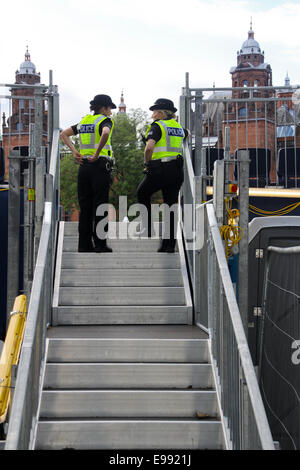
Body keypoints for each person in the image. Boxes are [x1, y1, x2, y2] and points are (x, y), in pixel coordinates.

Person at [60, 94, 116, 253]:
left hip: (83, 167)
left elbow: (63, 134)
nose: (111, 111)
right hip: (99, 166)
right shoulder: (105, 120)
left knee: (85, 208)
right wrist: (97, 153)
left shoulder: (84, 122)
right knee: (100, 205)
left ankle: (84, 245)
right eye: (110, 108)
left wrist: (75, 152)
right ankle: (100, 244)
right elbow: (105, 133)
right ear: (104, 107)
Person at [137, 98, 189, 253]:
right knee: (170, 206)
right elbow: (188, 134)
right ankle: (168, 246)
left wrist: (147, 164)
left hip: (160, 168)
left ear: (161, 113)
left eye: (154, 111)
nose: (152, 115)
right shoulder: (178, 127)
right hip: (177, 169)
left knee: (142, 193)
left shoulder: (157, 126)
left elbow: (149, 148)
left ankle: (147, 228)